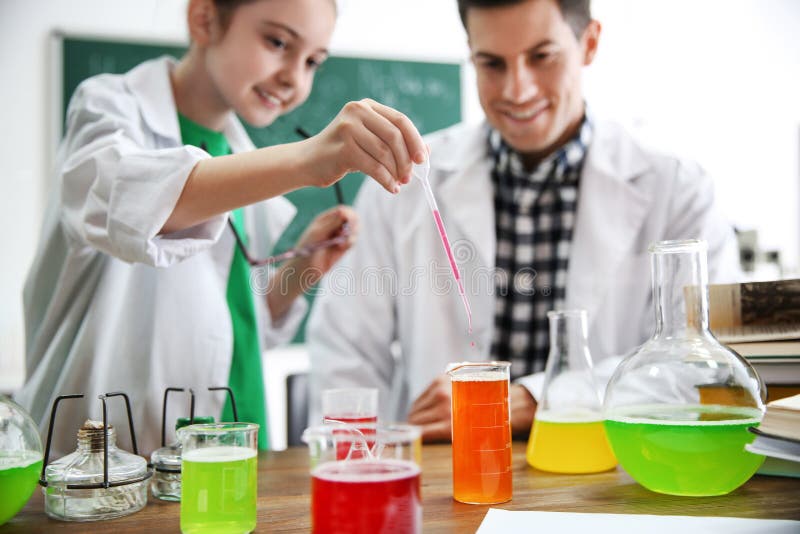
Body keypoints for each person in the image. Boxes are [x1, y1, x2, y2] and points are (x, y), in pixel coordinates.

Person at [307, 0, 741, 441]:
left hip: (606, 468)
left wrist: (542, 399)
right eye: (492, 63)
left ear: (588, 44)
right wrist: (362, 466)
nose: (517, 90)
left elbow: (698, 364)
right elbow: (345, 353)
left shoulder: (678, 190)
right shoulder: (403, 184)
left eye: (542, 57)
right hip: (445, 471)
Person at [16, 0, 427, 455]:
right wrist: (309, 159)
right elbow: (132, 203)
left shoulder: (238, 155)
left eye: (312, 61)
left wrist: (303, 268)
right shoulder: (110, 110)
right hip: (114, 469)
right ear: (204, 19)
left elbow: (231, 327)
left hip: (238, 445)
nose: (295, 78)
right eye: (277, 42)